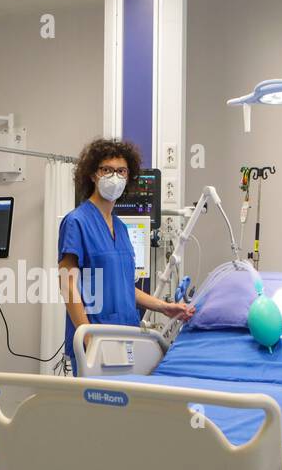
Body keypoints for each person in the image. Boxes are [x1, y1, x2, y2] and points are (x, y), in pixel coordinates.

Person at [58, 137, 194, 370]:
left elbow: (124, 287)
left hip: (125, 334)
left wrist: (163, 306)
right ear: (93, 174)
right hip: (95, 337)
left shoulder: (120, 228)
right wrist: (88, 340)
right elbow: (68, 285)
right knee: (99, 405)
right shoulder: (76, 222)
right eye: (107, 170)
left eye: (121, 171)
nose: (115, 177)